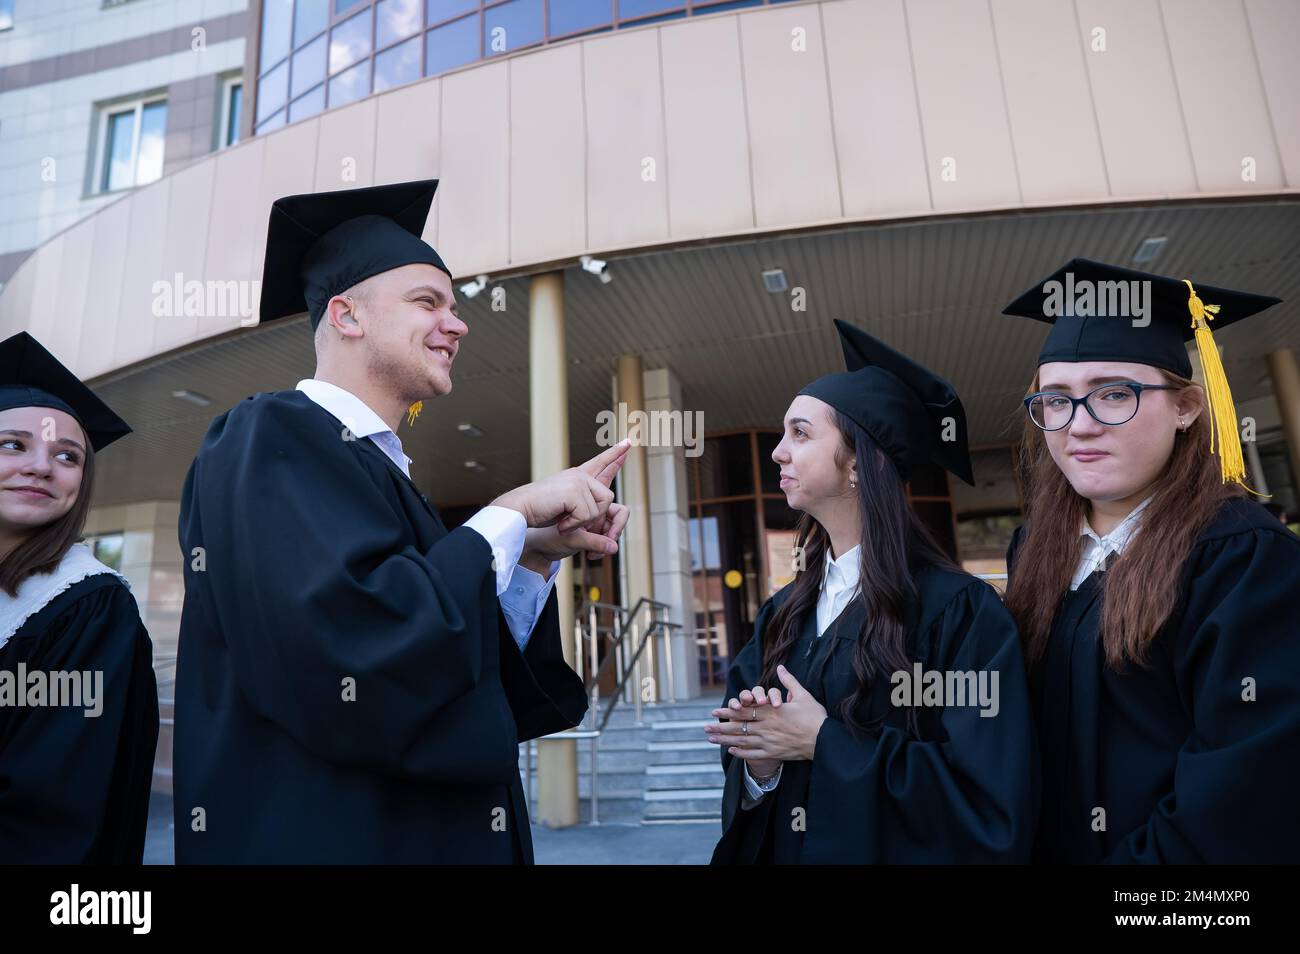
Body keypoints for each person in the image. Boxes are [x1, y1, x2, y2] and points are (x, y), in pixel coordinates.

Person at [173, 180, 630, 863]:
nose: (459, 324)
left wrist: (529, 556)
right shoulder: (270, 435)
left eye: (455, 306)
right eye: (429, 302)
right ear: (348, 316)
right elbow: (349, 647)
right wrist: (505, 513)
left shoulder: (382, 472)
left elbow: (452, 674)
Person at [1002, 258, 1300, 863]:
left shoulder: (1240, 556)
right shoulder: (1035, 549)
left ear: (1187, 406)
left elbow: (1244, 786)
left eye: (1114, 394)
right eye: (1055, 400)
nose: (1078, 426)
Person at [708, 319, 1037, 864]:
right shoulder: (783, 613)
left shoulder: (958, 613)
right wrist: (758, 763)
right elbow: (753, 787)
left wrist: (824, 743)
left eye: (801, 433)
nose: (777, 454)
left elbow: (987, 800)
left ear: (859, 461)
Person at [0, 332, 159, 863]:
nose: (42, 467)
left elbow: (51, 814)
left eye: (67, 456)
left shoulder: (85, 608)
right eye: (13, 444)